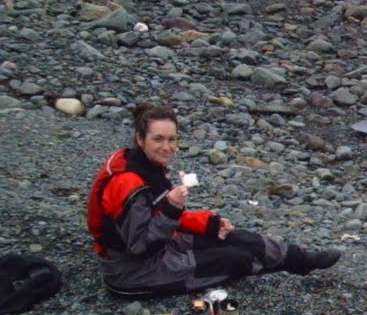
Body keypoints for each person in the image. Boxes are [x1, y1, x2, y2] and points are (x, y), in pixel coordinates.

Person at [87, 102, 341, 297]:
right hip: (132, 273)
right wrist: (173, 208)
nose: (167, 147)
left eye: (172, 139)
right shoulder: (126, 183)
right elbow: (141, 246)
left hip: (162, 245)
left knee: (234, 237)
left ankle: (301, 259)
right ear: (140, 139)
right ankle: (279, 264)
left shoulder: (146, 165)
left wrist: (208, 223)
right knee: (235, 258)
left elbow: (156, 216)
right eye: (158, 139)